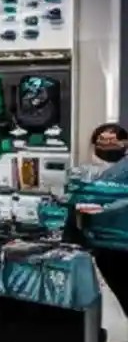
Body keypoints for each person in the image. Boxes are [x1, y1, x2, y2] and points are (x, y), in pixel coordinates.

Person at [68, 122, 128, 317]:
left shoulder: (91, 178)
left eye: (113, 142)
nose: (108, 147)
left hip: (114, 248)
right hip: (106, 248)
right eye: (103, 142)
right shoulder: (85, 173)